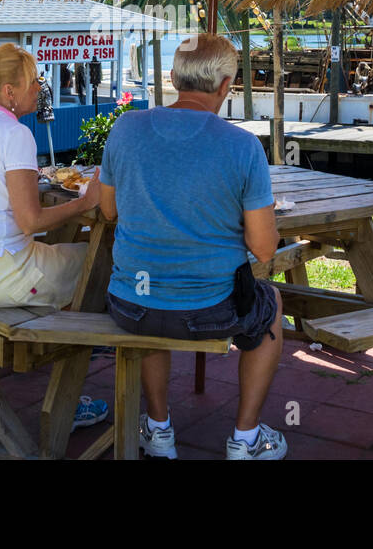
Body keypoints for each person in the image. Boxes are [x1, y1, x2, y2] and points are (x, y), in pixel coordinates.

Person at [99, 33, 287, 460]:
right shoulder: (242, 146)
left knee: (150, 312)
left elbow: (108, 211)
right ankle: (245, 438)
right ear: (225, 86)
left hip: (131, 305)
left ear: (172, 77)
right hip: (210, 311)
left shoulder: (126, 127)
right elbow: (263, 250)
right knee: (270, 302)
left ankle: (160, 429)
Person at [0, 43, 107, 428]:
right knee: (96, 266)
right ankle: (66, 398)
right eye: (34, 81)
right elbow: (31, 222)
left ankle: (52, 347)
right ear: (10, 91)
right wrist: (85, 201)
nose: (38, 88)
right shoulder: (15, 135)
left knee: (63, 255)